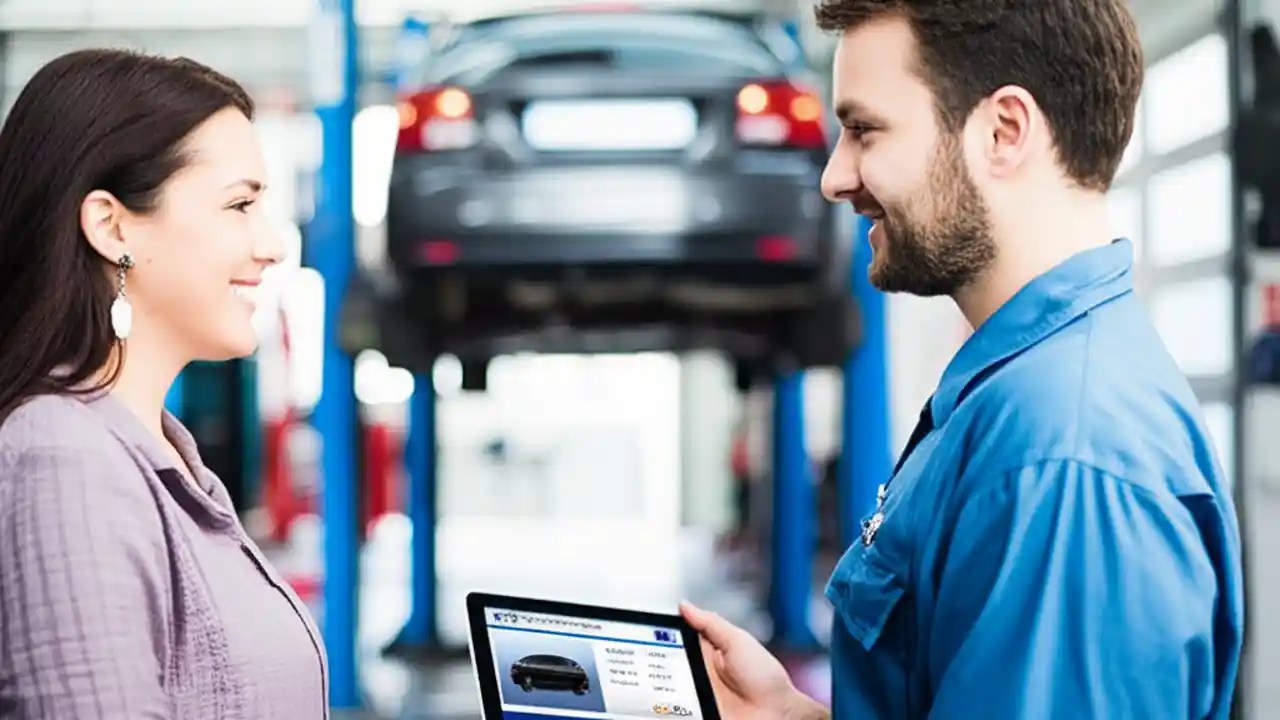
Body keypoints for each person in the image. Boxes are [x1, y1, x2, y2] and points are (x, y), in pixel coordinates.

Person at [681, 0, 1245, 718]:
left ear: (1003, 131)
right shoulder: (1018, 398)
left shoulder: (1061, 452)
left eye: (862, 131)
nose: (834, 176)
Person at [0, 50, 328, 718]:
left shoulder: (158, 454)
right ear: (112, 225)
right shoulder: (65, 456)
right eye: (239, 205)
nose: (272, 246)